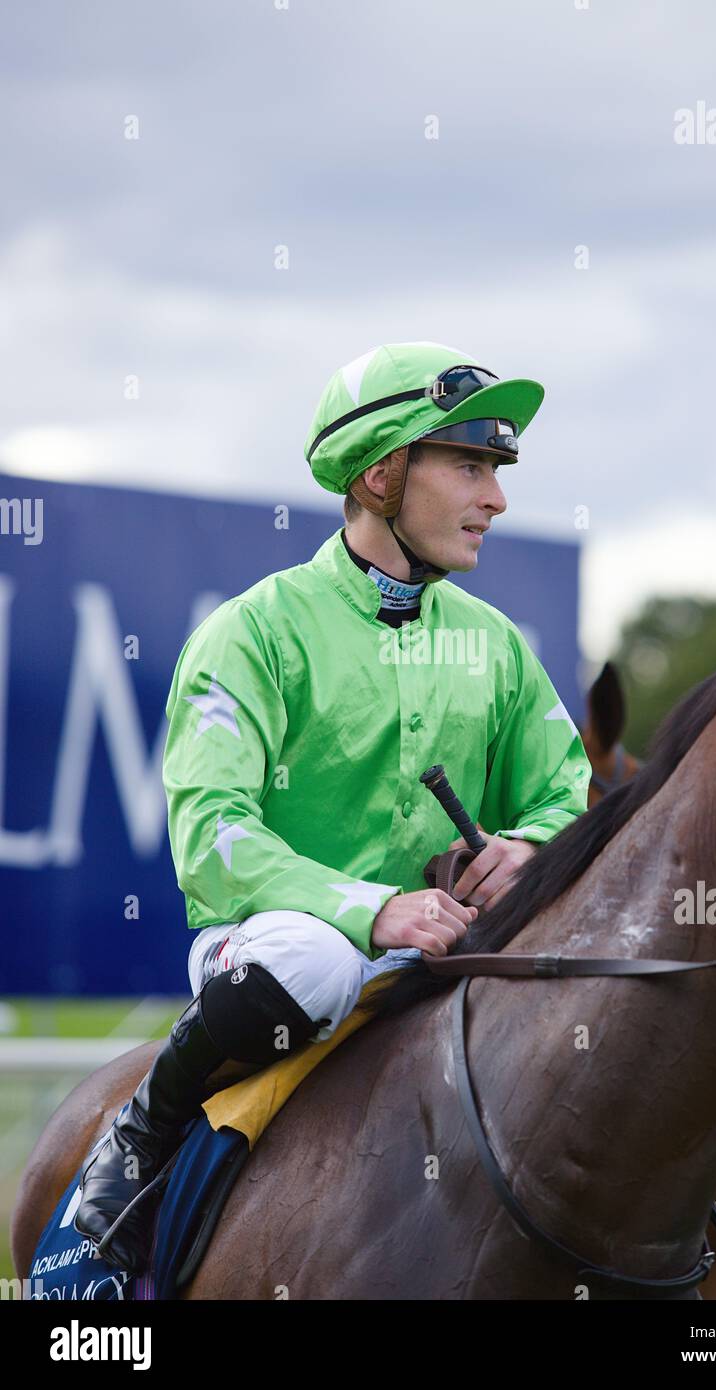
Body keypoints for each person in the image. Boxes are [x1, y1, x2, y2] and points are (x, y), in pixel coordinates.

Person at [74, 340, 592, 1271]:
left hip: (448, 959)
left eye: (498, 471)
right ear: (384, 474)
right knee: (315, 955)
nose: (497, 499)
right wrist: (375, 910)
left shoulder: (497, 645)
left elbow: (568, 792)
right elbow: (214, 842)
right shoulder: (251, 634)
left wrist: (526, 846)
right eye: (471, 465)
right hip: (279, 957)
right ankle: (143, 1129)